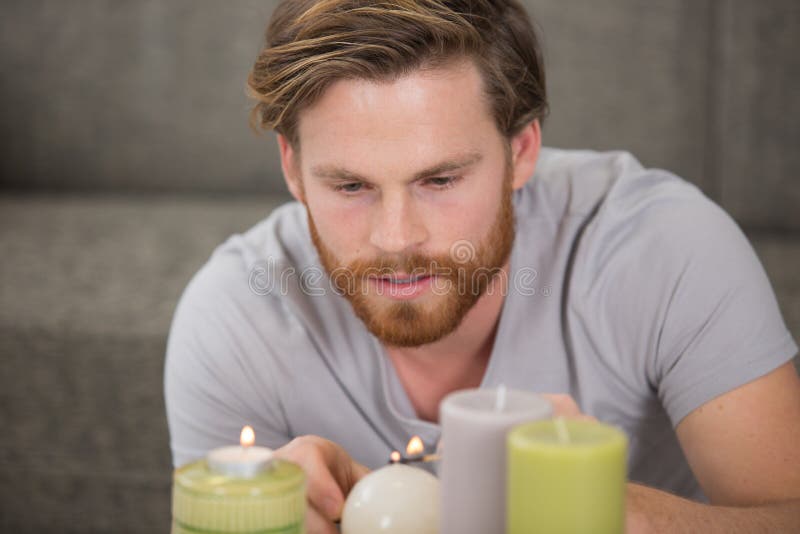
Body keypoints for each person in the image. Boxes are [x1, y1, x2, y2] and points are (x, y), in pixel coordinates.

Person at [164, 1, 800, 532]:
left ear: (521, 152)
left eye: (440, 179)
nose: (395, 239)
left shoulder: (665, 248)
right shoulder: (235, 318)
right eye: (351, 187)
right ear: (293, 170)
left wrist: (616, 518)